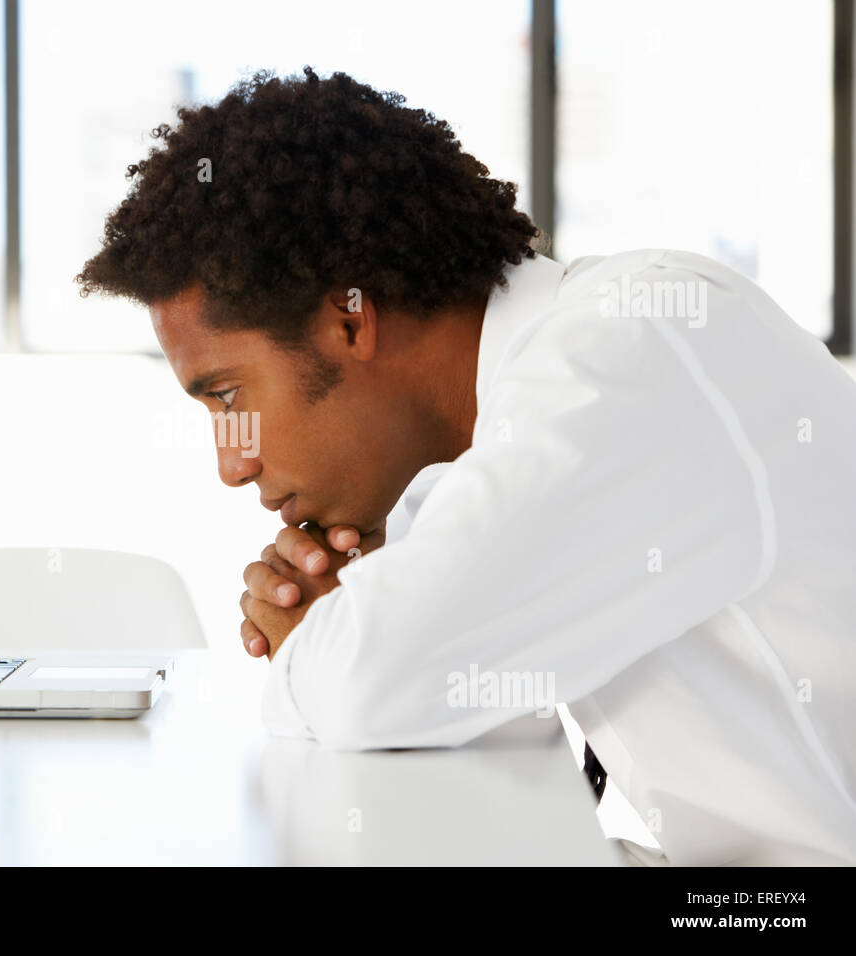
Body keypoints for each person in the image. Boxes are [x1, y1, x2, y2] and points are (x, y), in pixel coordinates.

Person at [75, 66, 856, 866]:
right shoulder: (518, 423)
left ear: (350, 320)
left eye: (228, 394)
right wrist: (371, 607)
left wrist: (333, 632)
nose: (232, 465)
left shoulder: (633, 344)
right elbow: (467, 700)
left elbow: (373, 680)